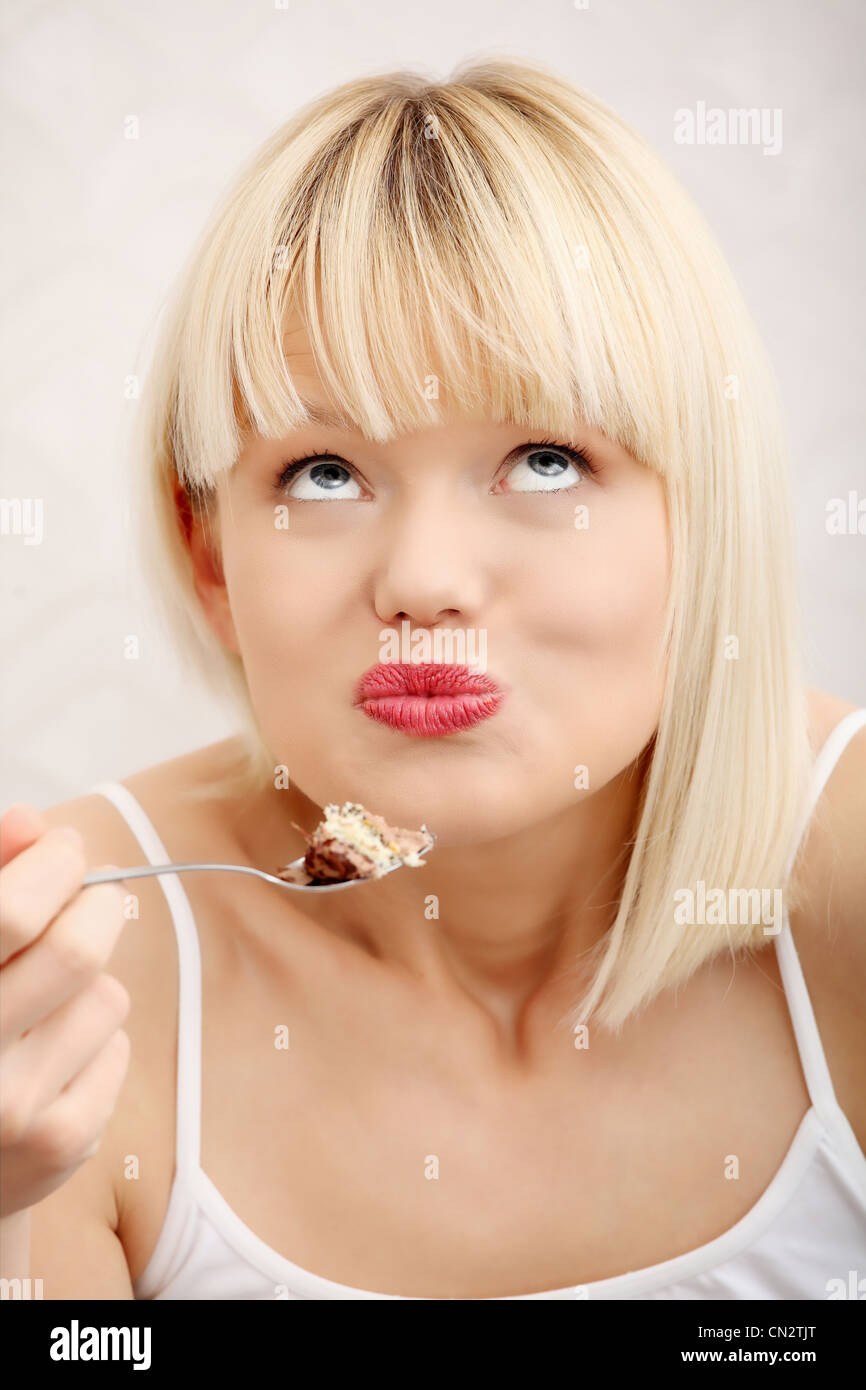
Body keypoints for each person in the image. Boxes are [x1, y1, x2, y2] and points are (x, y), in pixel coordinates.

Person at [1, 56, 864, 1301]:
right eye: (324, 474)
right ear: (212, 561)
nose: (424, 581)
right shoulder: (83, 983)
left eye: (545, 459)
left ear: (703, 519)